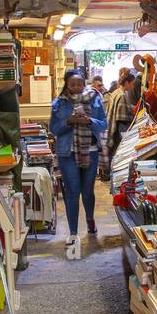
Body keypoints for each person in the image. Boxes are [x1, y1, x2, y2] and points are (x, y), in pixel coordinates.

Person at [50, 69, 107, 245]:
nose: (76, 87)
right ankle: (73, 232)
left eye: (79, 83)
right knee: (72, 191)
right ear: (67, 84)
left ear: (84, 83)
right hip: (67, 152)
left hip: (89, 151)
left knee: (87, 190)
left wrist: (89, 121)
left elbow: (103, 124)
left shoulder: (95, 98)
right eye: (72, 84)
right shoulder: (60, 103)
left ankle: (90, 219)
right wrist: (69, 121)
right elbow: (54, 128)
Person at [106, 70, 136, 155]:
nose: (133, 86)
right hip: (117, 131)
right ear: (126, 83)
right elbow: (122, 119)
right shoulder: (122, 95)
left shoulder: (116, 92)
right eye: (132, 83)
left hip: (111, 127)